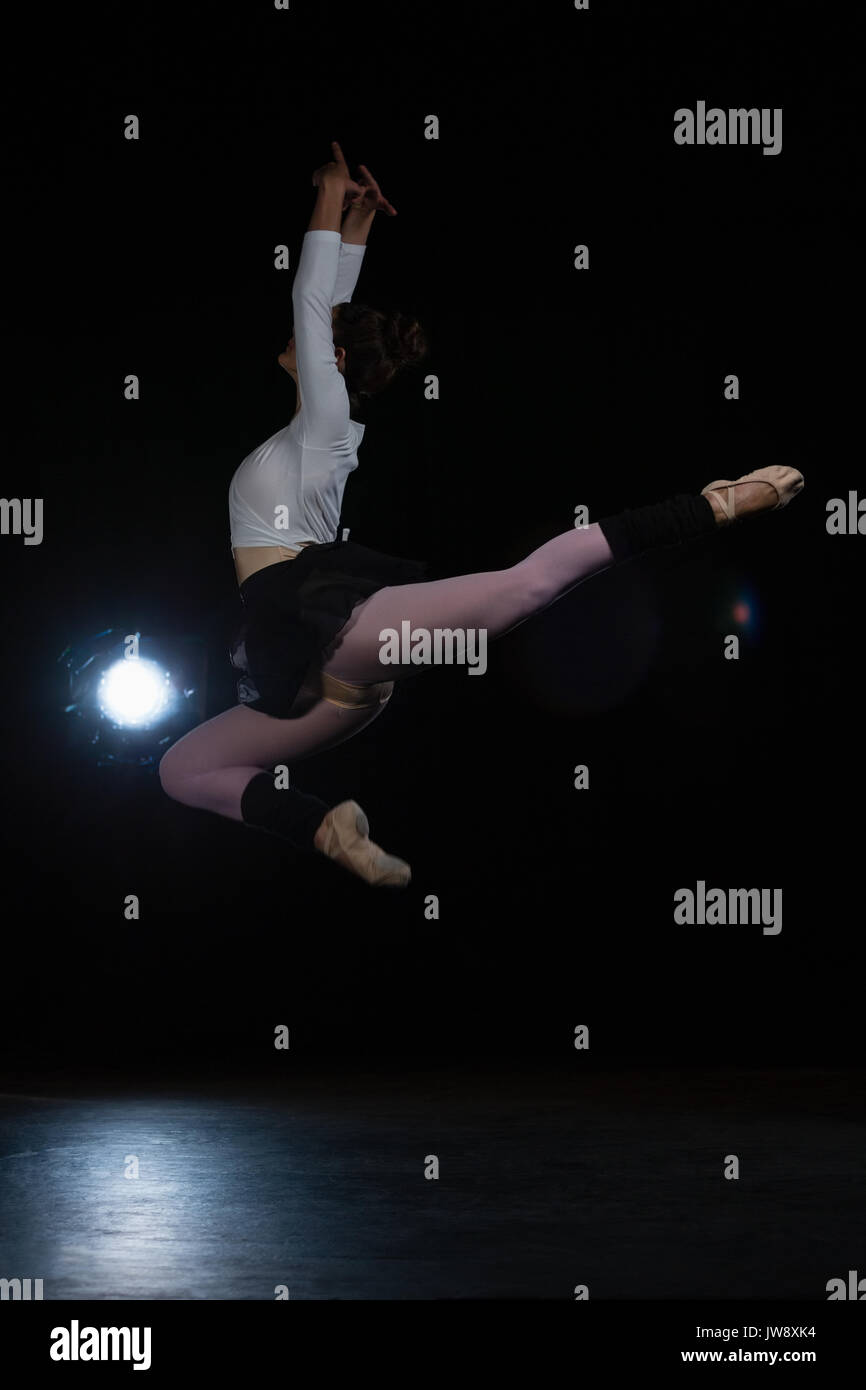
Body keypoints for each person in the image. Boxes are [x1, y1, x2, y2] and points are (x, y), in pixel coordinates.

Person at [159, 142, 804, 888]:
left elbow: (310, 302)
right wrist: (359, 227)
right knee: (181, 768)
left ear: (333, 363)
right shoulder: (315, 425)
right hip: (316, 680)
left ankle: (709, 506)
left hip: (319, 625)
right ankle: (324, 827)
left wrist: (330, 193)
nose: (293, 343)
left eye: (313, 344)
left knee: (521, 590)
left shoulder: (325, 423)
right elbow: (322, 309)